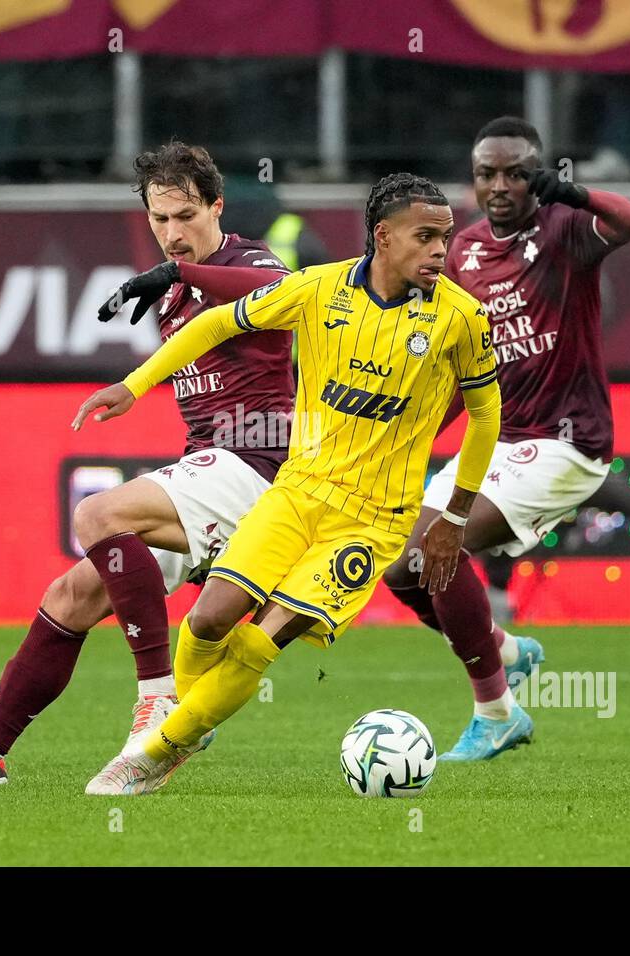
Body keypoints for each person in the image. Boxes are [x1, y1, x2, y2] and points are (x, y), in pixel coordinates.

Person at [71, 172, 504, 797]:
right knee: (207, 621)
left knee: (260, 640)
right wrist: (133, 386)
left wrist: (454, 519)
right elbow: (215, 325)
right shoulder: (318, 290)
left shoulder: (461, 318)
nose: (442, 251)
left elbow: (487, 414)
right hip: (296, 495)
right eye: (426, 238)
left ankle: (153, 756)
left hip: (371, 524)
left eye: (445, 238)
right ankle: (192, 715)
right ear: (383, 238)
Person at [0, 142, 294, 785]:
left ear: (217, 206)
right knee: (68, 596)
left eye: (185, 215)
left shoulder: (247, 260)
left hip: (259, 465)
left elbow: (281, 290)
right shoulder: (169, 297)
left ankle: (157, 694)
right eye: (159, 220)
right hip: (210, 467)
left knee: (97, 513)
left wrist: (183, 275)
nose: (172, 234)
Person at [382, 116, 630, 759]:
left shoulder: (564, 230)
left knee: (439, 547)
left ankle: (496, 712)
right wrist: (409, 438)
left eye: (514, 172)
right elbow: (457, 374)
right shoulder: (463, 254)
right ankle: (504, 650)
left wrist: (575, 193)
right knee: (399, 568)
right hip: (495, 442)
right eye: (485, 173)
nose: (499, 184)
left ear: (538, 174)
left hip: (565, 442)